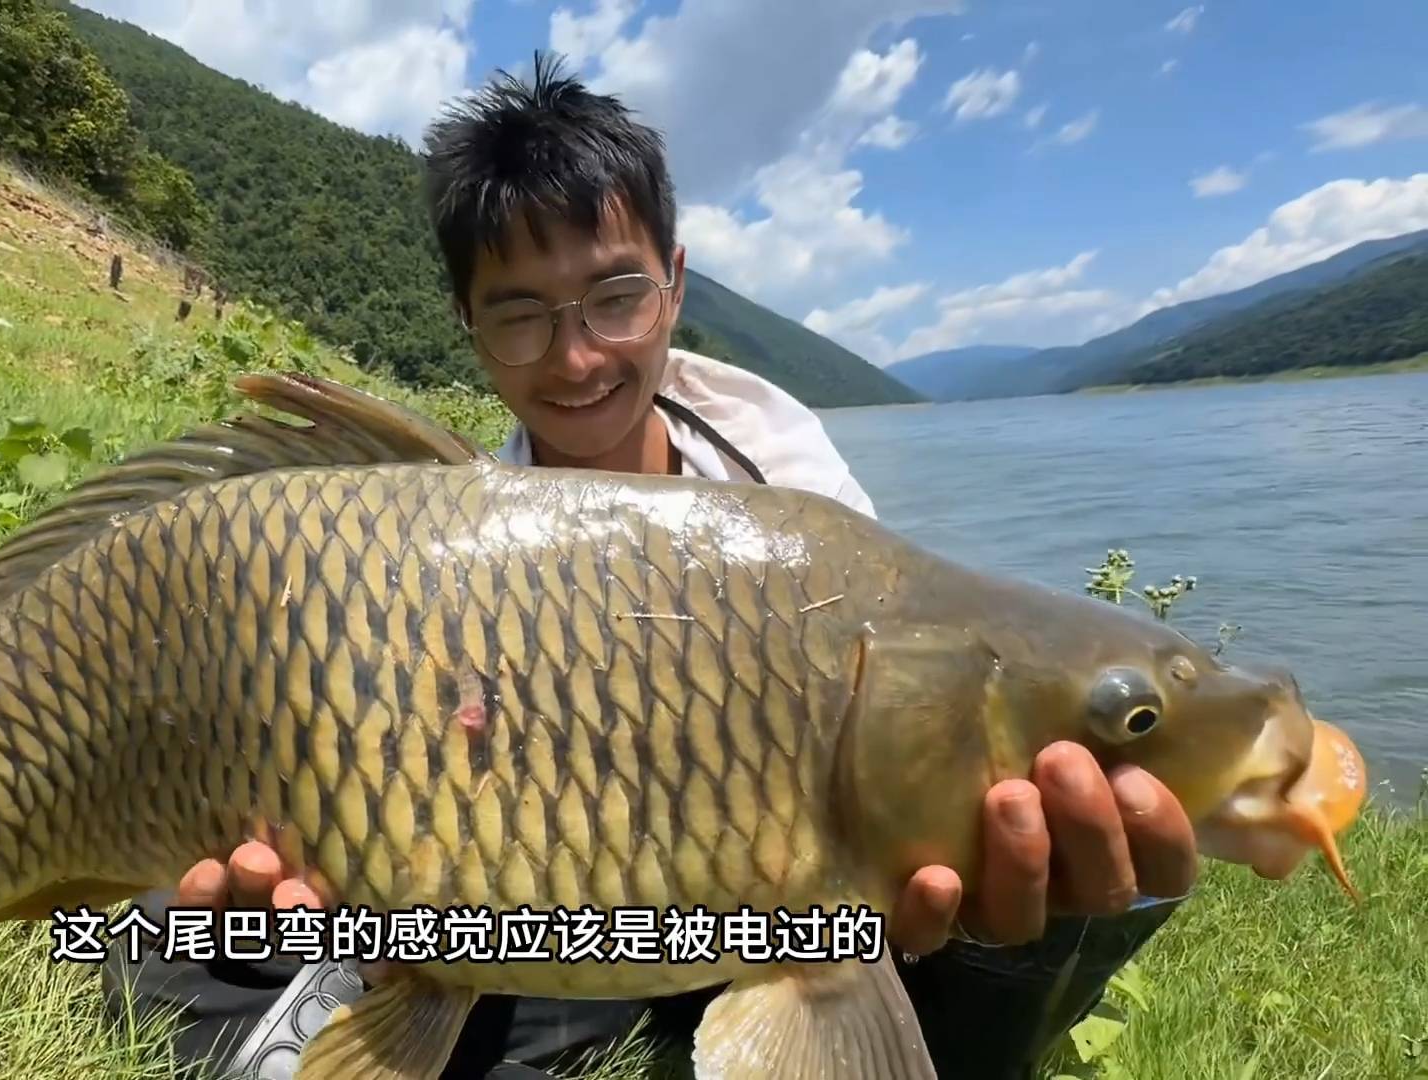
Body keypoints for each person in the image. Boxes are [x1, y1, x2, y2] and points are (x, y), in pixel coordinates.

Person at [102, 51, 1199, 1079]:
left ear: (673, 283)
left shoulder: (797, 501)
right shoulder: (447, 548)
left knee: (1062, 869)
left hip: (793, 905)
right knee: (169, 933)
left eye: (614, 298)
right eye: (522, 315)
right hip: (585, 903)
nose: (577, 357)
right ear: (470, 327)